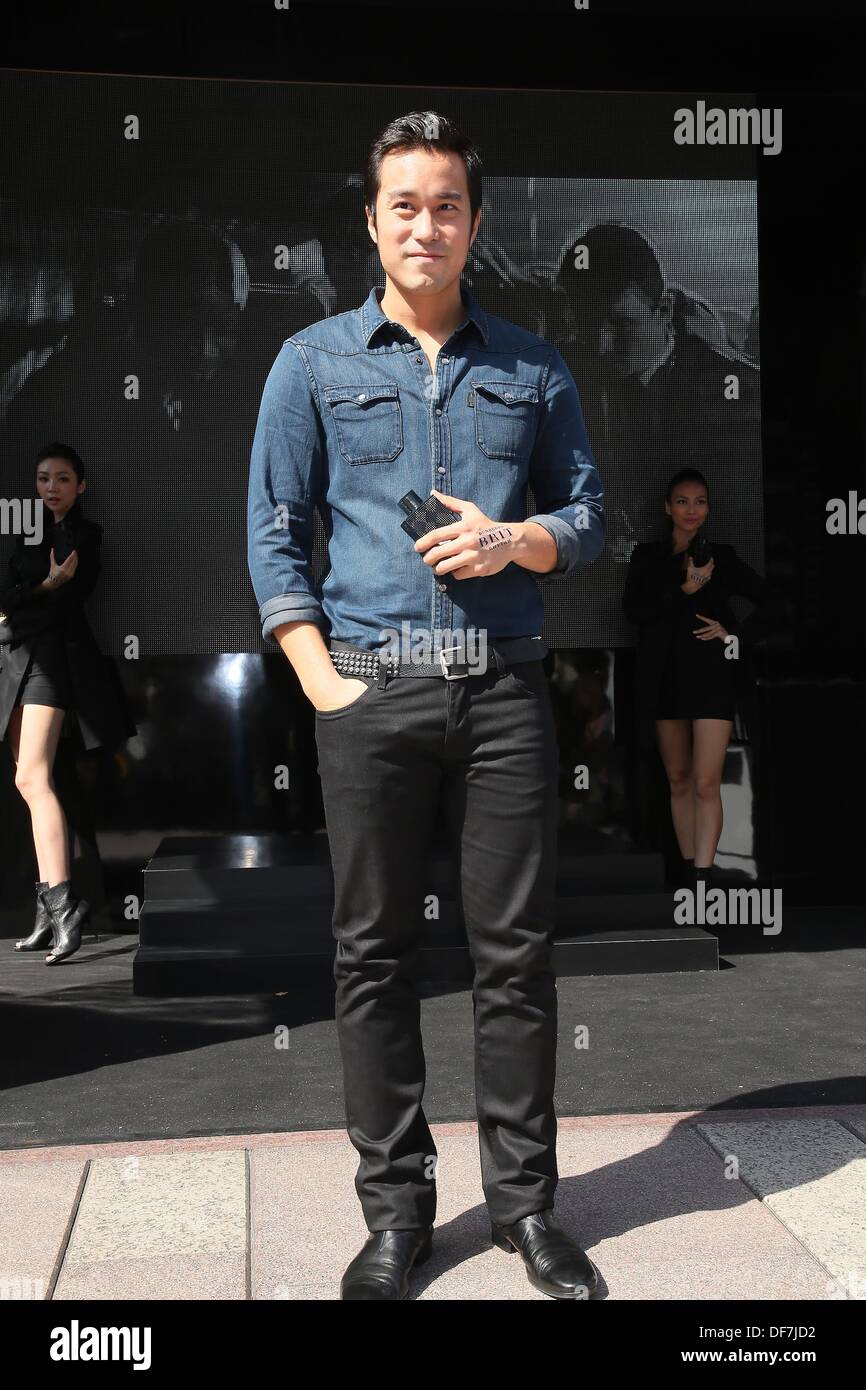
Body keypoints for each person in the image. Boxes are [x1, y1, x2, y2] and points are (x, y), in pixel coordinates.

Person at [247, 110, 606, 1300]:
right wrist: (325, 688)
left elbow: (588, 517)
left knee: (514, 959)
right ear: (370, 221)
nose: (424, 224)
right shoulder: (309, 363)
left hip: (502, 691)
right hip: (370, 693)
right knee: (371, 961)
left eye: (445, 204)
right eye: (402, 203)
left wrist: (517, 541)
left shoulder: (532, 364)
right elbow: (271, 534)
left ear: (474, 224)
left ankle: (526, 1213)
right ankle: (396, 1214)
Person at [0, 442, 137, 963]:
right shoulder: (27, 536)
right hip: (16, 667)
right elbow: (8, 597)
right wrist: (45, 584)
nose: (50, 487)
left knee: (32, 777)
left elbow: (58, 608)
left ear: (81, 485)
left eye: (61, 478)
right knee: (30, 781)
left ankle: (63, 904)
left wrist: (30, 600)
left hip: (53, 666)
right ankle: (49, 905)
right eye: (42, 479)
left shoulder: (87, 535)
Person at [622, 468, 781, 888]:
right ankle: (687, 871)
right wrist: (685, 591)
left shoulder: (721, 558)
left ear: (708, 508)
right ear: (667, 508)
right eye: (682, 501)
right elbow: (635, 612)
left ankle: (703, 879)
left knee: (707, 780)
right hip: (665, 679)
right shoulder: (648, 557)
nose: (691, 510)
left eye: (700, 501)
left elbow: (772, 603)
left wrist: (734, 636)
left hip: (713, 677)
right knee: (678, 778)